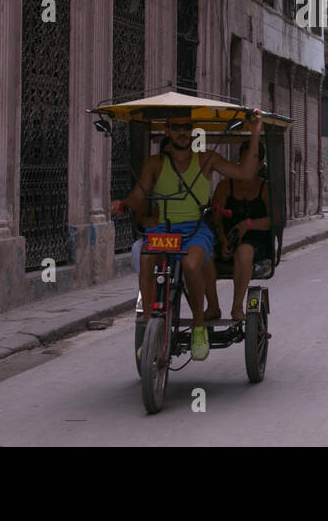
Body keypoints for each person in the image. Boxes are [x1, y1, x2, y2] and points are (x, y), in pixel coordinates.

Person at [111, 109, 262, 361]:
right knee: (147, 256)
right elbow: (138, 197)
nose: (182, 132)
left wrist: (255, 131)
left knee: (192, 263)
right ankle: (149, 325)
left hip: (195, 228)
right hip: (163, 229)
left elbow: (245, 173)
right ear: (167, 131)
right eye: (176, 127)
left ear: (192, 131)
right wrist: (123, 204)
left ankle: (199, 326)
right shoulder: (154, 164)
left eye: (186, 127)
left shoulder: (206, 159)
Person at [203, 143, 272, 321]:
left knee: (244, 251)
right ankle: (212, 306)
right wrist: (223, 239)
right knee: (204, 254)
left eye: (254, 159)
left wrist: (247, 225)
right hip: (225, 238)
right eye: (245, 159)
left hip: (254, 241)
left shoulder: (265, 189)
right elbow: (215, 217)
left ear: (260, 163)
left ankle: (236, 306)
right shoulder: (225, 186)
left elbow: (272, 221)